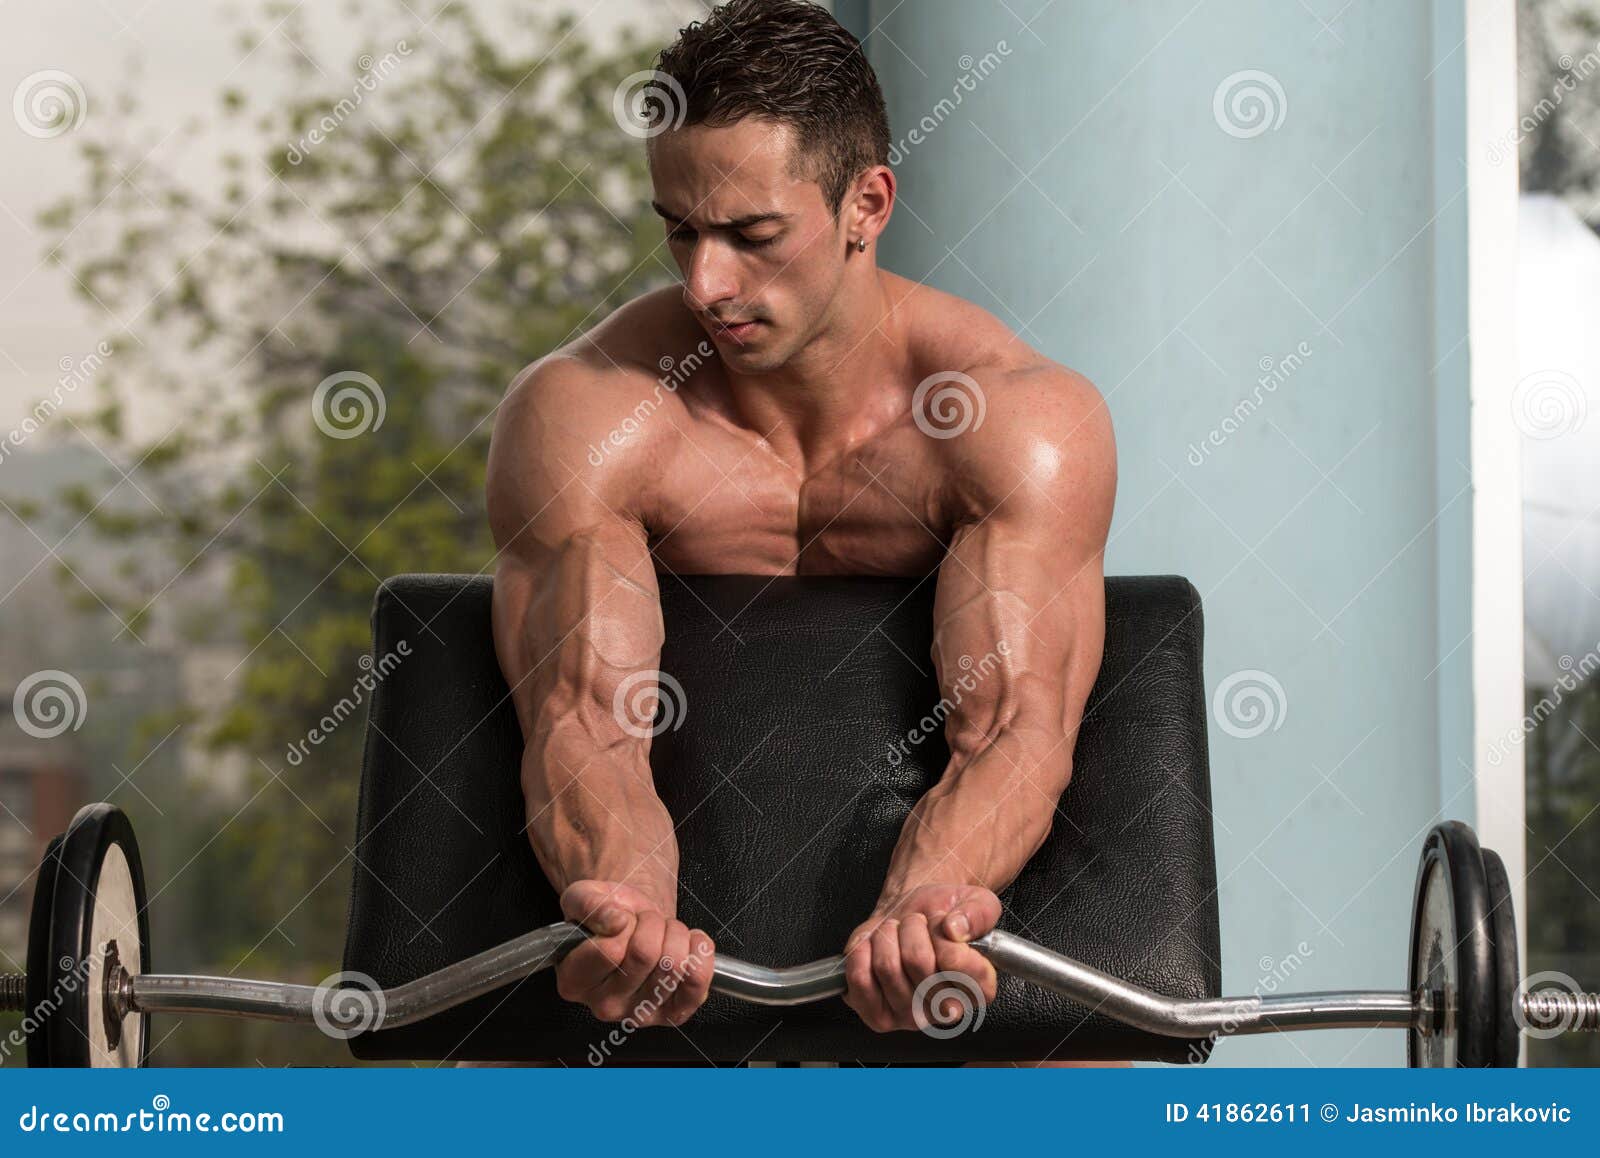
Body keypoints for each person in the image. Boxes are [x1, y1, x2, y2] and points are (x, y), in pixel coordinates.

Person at [485, 0, 1118, 1068]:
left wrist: (922, 914)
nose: (705, 285)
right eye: (679, 231)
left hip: (977, 932)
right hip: (658, 954)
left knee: (1088, 1083)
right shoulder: (588, 415)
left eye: (752, 234)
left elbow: (1013, 725)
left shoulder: (1016, 422)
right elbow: (584, 714)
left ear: (866, 202)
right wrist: (631, 916)